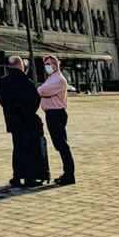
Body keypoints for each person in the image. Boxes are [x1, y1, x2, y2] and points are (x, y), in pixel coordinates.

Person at [0, 55, 48, 188]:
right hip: (27, 121)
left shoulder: (3, 81)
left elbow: (2, 101)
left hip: (13, 121)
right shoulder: (27, 81)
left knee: (17, 148)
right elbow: (35, 100)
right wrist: (28, 112)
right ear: (20, 66)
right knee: (29, 149)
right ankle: (29, 178)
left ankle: (16, 176)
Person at [38, 54, 76, 186]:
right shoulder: (51, 78)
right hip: (51, 113)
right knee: (59, 144)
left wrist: (39, 91)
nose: (46, 66)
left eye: (49, 64)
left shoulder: (58, 79)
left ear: (55, 65)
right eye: (45, 64)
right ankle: (67, 173)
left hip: (56, 114)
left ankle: (69, 174)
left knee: (62, 144)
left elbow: (42, 90)